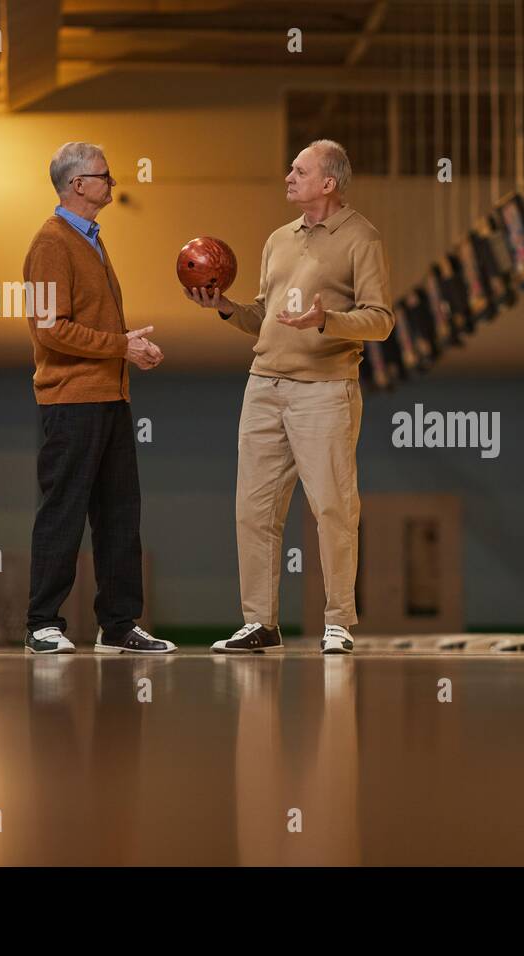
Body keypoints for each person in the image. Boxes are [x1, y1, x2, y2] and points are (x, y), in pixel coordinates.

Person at [186, 139, 393, 654]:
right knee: (252, 511)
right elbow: (263, 313)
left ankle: (339, 621)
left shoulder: (361, 238)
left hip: (324, 390)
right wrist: (226, 307)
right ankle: (260, 622)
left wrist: (328, 320)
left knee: (332, 509)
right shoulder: (278, 239)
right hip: (262, 386)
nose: (287, 177)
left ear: (329, 183)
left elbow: (382, 320)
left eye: (299, 171)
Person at [22, 142, 176, 655]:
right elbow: (49, 329)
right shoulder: (51, 242)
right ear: (77, 185)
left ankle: (118, 625)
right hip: (70, 402)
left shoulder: (91, 240)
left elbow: (90, 324)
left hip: (110, 397)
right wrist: (119, 347)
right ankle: (43, 623)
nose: (113, 183)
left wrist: (132, 349)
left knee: (119, 513)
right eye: (104, 176)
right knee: (63, 510)